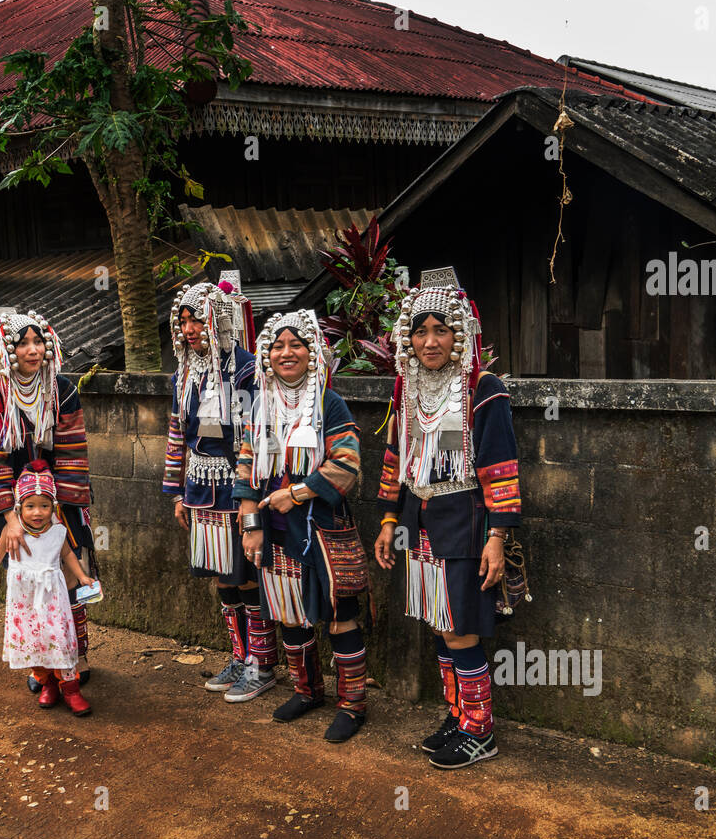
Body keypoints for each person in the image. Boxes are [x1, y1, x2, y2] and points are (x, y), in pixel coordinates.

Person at [373, 283, 521, 769]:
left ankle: (481, 731)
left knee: (460, 630)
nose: (430, 342)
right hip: (421, 524)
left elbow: (501, 465)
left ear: (460, 336)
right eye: (420, 332)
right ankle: (458, 717)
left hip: (467, 526)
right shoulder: (408, 388)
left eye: (441, 331)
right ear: (408, 340)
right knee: (440, 625)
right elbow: (398, 458)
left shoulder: (483, 389)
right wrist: (390, 519)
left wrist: (497, 538)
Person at [233, 310, 369, 742]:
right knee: (290, 616)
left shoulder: (330, 403)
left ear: (313, 354)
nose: (286, 353)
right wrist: (251, 523)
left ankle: (353, 705)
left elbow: (346, 467)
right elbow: (246, 467)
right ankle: (307, 690)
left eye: (296, 345)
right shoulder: (261, 402)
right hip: (276, 531)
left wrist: (296, 494)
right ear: (266, 355)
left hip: (323, 530)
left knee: (339, 617)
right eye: (277, 346)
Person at [163, 279, 278, 702]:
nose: (189, 328)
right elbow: (177, 433)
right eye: (184, 321)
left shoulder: (247, 369)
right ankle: (239, 654)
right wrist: (176, 493)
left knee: (246, 575)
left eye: (198, 319)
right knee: (220, 578)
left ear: (220, 319)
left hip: (234, 489)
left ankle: (262, 663)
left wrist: (249, 500)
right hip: (197, 490)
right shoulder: (184, 374)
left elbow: (254, 436)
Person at [0, 310, 96, 688]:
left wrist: (57, 513)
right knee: (28, 582)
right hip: (16, 510)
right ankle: (39, 663)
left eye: (38, 341)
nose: (33, 350)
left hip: (60, 504)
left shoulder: (63, 390)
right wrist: (12, 519)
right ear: (6, 350)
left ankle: (76, 657)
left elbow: (74, 454)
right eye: (23, 343)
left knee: (67, 580)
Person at [0, 462, 96, 715]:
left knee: (57, 639)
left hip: (52, 601)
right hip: (24, 602)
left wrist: (83, 577)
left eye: (44, 506)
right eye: (30, 506)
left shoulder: (58, 531)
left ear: (53, 507)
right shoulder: (11, 532)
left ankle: (70, 689)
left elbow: (69, 556)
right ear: (18, 508)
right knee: (33, 642)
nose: (37, 512)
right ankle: (46, 683)